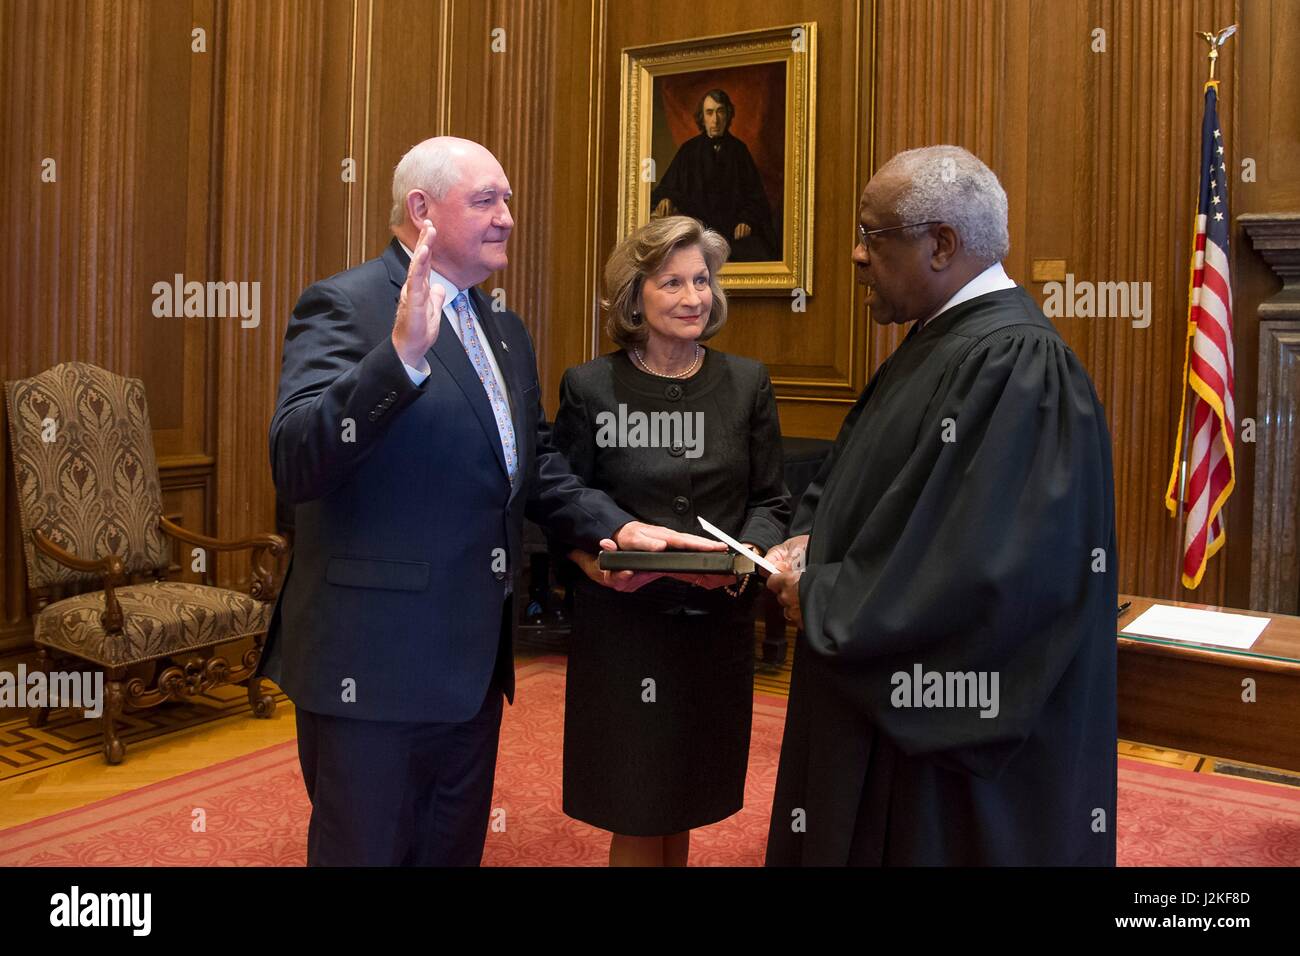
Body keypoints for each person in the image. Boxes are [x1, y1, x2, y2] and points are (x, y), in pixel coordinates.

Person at [262, 137, 722, 866]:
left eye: (507, 199)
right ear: (421, 210)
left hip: (472, 667)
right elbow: (295, 461)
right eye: (486, 200)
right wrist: (400, 359)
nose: (508, 216)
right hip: (371, 667)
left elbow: (533, 463)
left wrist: (622, 526)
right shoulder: (345, 305)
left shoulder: (503, 330)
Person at [764, 145, 1118, 866]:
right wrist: (808, 539)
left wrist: (829, 597)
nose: (857, 255)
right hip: (876, 726)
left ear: (942, 245)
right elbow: (865, 486)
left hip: (952, 771)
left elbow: (985, 575)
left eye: (874, 234)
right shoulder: (938, 344)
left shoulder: (1020, 367)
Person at [553, 215, 790, 866]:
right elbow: (559, 505)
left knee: (684, 794)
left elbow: (771, 500)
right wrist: (589, 561)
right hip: (627, 630)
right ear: (634, 296)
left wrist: (747, 560)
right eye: (672, 283)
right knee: (637, 800)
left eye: (703, 281)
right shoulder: (590, 387)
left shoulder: (747, 382)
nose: (694, 297)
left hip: (715, 628)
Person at [651, 89, 779, 261]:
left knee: (761, 254)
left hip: (732, 233)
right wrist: (667, 198)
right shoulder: (689, 151)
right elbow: (669, 187)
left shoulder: (739, 151)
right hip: (698, 232)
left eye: (720, 112)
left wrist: (746, 220)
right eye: (710, 113)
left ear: (728, 115)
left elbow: (756, 197)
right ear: (702, 118)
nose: (715, 119)